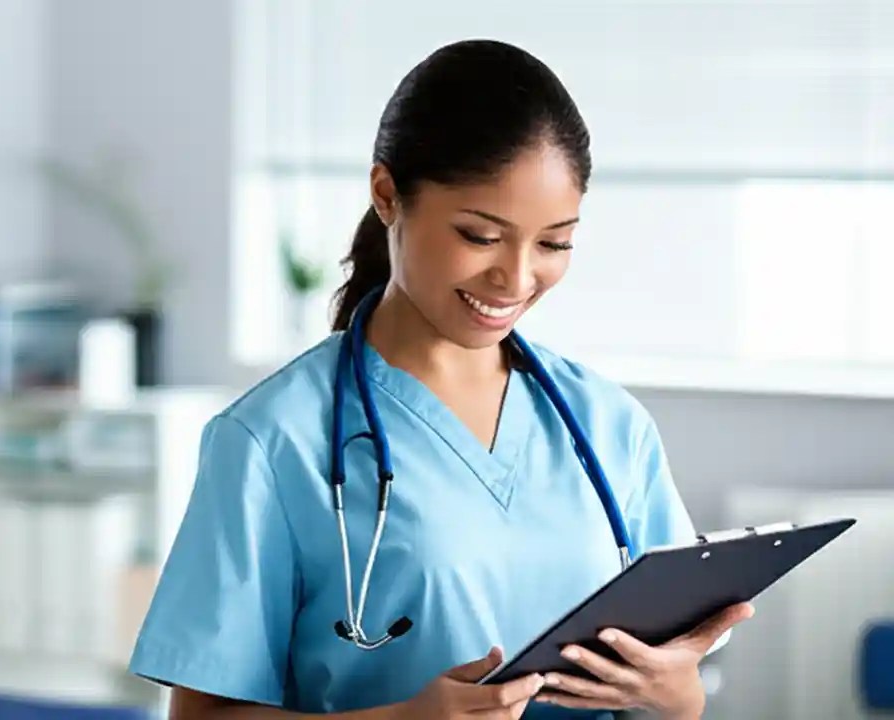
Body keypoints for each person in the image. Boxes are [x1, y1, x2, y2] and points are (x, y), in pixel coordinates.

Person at [127, 39, 753, 719]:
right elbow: (202, 716)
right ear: (387, 195)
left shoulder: (608, 425)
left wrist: (677, 694)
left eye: (553, 243)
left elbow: (671, 686)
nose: (515, 279)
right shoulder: (271, 440)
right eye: (481, 236)